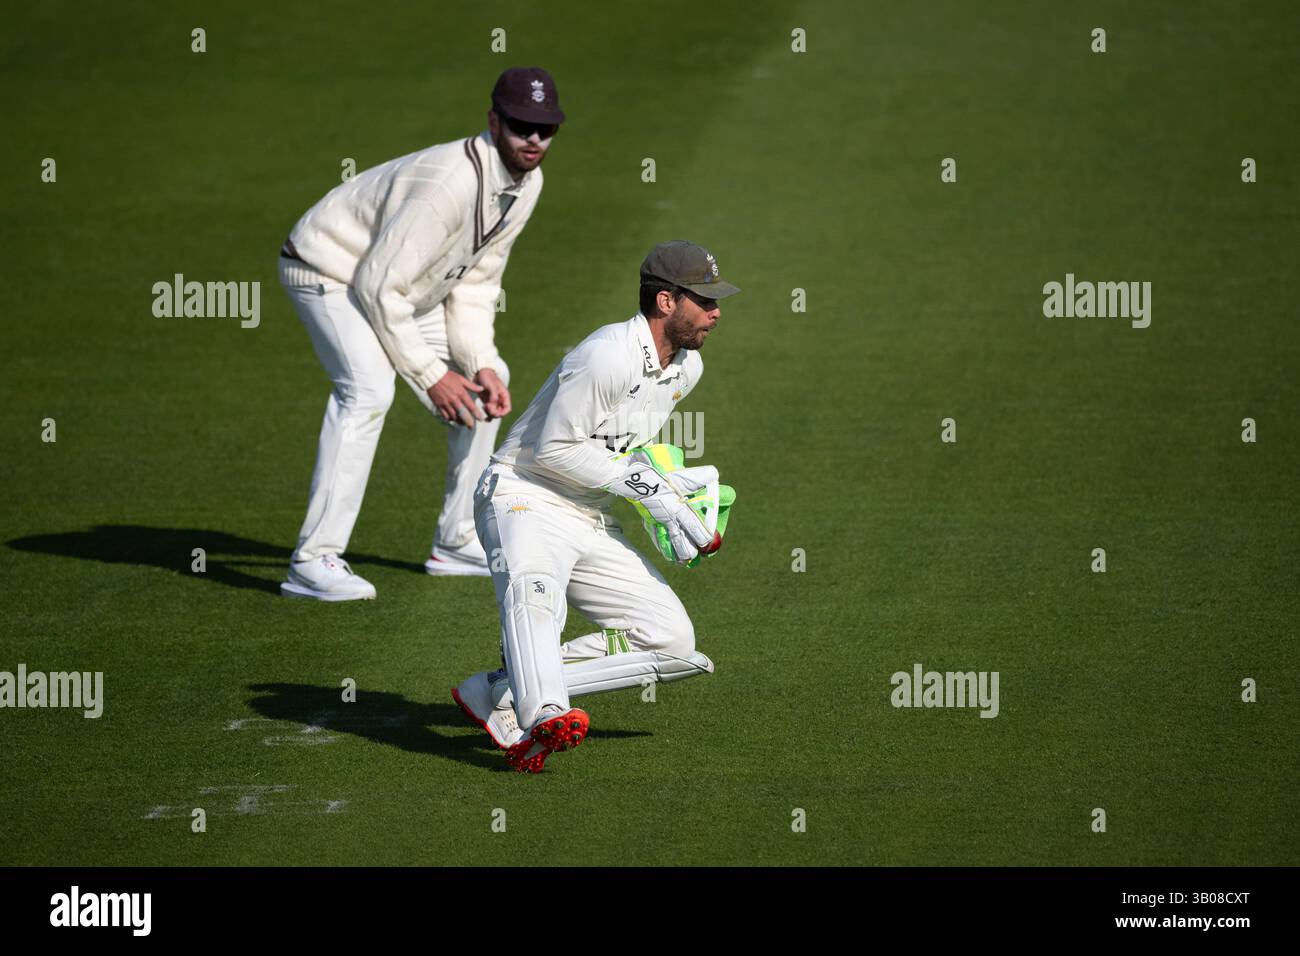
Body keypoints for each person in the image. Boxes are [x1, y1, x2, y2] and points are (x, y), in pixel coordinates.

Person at [277, 67, 564, 600]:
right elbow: (377, 285)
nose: (533, 139)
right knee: (367, 390)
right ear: (493, 121)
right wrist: (431, 376)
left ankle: (455, 541)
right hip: (328, 269)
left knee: (489, 382)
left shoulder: (527, 185)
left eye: (545, 129)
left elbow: (476, 284)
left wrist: (475, 361)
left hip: (402, 287)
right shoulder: (447, 185)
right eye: (521, 125)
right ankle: (312, 561)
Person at [452, 241, 739, 772]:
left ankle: (500, 690)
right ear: (666, 302)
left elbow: (622, 445)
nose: (716, 311)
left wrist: (674, 491)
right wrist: (646, 490)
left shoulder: (686, 368)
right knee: (536, 599)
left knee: (674, 643)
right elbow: (554, 450)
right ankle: (543, 711)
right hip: (524, 495)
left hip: (588, 511)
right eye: (705, 300)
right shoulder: (606, 355)